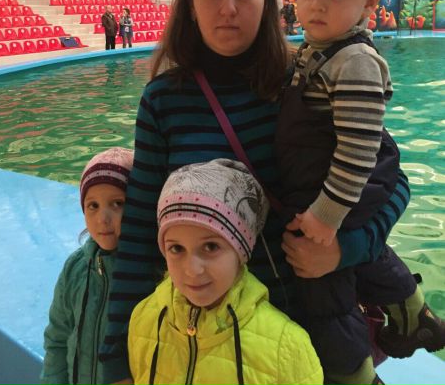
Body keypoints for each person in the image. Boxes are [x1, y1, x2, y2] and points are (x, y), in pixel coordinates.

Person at [101, 0, 412, 385]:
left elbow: (392, 183)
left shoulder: (309, 79)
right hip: (206, 340)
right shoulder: (164, 101)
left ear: (268, 1)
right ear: (191, 3)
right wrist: (117, 360)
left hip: (308, 323)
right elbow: (140, 232)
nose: (228, 7)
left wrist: (342, 251)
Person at [276, 0, 445, 384]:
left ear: (369, 3)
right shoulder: (318, 50)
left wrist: (326, 216)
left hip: (336, 195)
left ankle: (355, 375)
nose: (317, 4)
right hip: (328, 190)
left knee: (325, 296)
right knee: (359, 260)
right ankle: (411, 313)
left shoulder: (354, 62)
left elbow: (357, 150)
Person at [128, 158, 323, 385]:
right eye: (176, 248)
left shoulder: (287, 347)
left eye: (211, 247)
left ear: (241, 252)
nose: (192, 270)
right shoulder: (144, 320)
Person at [41, 147, 134, 385]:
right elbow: (57, 339)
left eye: (117, 203)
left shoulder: (146, 274)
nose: (103, 218)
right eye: (93, 205)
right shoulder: (75, 268)